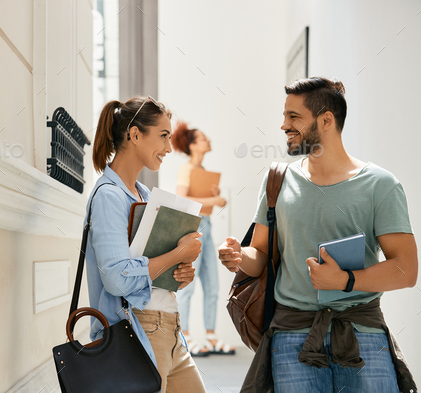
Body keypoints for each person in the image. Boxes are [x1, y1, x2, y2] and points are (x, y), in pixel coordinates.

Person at [219, 77, 418, 392]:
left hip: (362, 335)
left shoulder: (381, 185)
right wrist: (239, 255)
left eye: (293, 117)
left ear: (327, 119)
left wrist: (345, 281)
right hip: (291, 338)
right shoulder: (277, 181)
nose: (284, 125)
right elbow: (260, 257)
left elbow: (406, 270)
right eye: (285, 116)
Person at [85, 96, 207, 393]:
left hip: (170, 328)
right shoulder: (109, 196)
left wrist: (179, 272)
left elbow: (149, 267)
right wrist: (177, 253)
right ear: (135, 134)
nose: (168, 148)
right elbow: (116, 279)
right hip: (140, 329)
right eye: (163, 136)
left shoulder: (143, 195)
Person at [171, 122, 235, 356]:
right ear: (193, 145)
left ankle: (210, 336)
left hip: (206, 227)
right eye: (203, 138)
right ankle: (185, 336)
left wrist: (214, 198)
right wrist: (214, 202)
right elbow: (181, 199)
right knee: (187, 285)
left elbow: (204, 202)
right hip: (192, 229)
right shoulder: (186, 169)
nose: (209, 141)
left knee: (212, 284)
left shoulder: (203, 172)